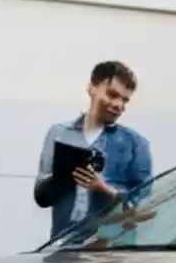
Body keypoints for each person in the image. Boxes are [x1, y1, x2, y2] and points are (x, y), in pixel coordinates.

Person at [34, 61, 153, 239]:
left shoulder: (135, 144)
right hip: (62, 247)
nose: (119, 105)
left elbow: (147, 206)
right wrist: (64, 176)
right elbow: (41, 197)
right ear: (92, 89)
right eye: (112, 95)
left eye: (125, 100)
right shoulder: (59, 133)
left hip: (111, 252)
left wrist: (103, 188)